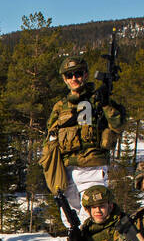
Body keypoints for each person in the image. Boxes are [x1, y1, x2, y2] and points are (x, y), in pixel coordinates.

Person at [43, 56, 125, 220]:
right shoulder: (60, 106)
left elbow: (118, 124)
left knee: (95, 216)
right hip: (66, 170)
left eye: (78, 73)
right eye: (69, 75)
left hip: (92, 167)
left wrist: (106, 103)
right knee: (70, 219)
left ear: (86, 75)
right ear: (64, 79)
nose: (74, 78)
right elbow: (50, 136)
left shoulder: (98, 100)